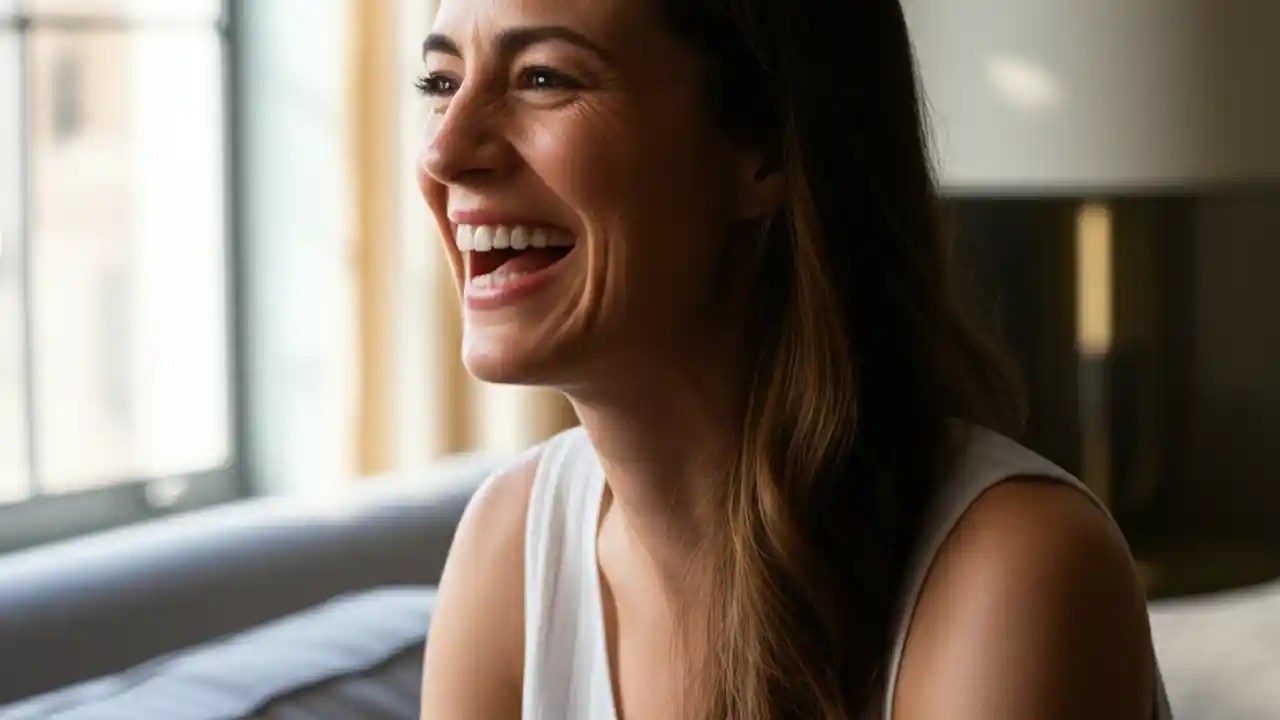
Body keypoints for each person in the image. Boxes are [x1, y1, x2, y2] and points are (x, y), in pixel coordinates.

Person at [414, 0, 1173, 717]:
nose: (446, 150)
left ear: (771, 148)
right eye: (440, 83)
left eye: (544, 78)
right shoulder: (508, 547)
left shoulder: (1014, 571)